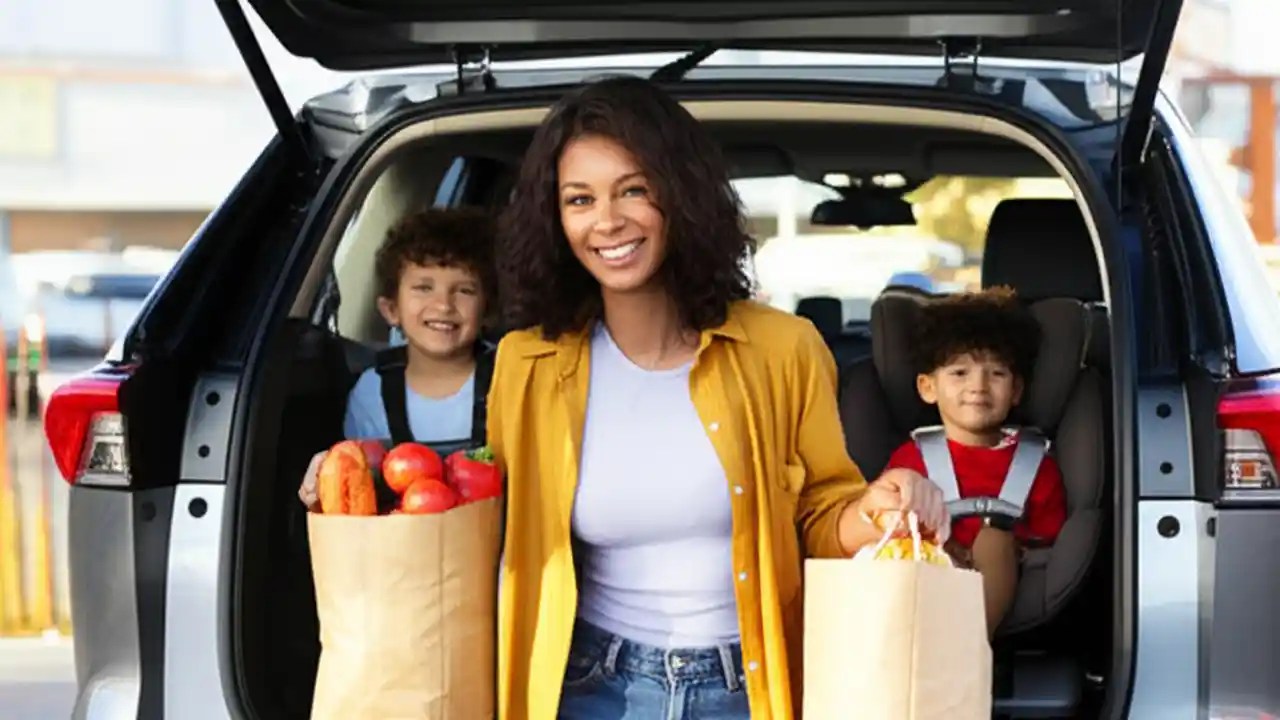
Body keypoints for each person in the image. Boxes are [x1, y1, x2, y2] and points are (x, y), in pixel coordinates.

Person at [486, 75, 950, 720]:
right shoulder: (526, 362)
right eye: (579, 199)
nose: (608, 220)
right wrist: (365, 484)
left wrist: (878, 505)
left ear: (680, 196)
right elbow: (486, 517)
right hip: (589, 685)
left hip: (747, 687)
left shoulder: (783, 348)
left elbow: (820, 513)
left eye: (634, 190)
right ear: (554, 218)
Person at [883, 287, 1067, 636]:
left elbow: (1048, 537)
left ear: (1016, 391)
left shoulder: (1035, 465)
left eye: (996, 373)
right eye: (959, 373)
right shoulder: (911, 460)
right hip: (931, 568)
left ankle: (969, 645)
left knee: (994, 541)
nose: (978, 386)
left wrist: (1011, 547)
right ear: (927, 387)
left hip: (1000, 571)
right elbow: (891, 523)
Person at [298, 207, 497, 509]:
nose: (443, 305)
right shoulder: (372, 392)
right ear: (391, 309)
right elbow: (358, 485)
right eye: (423, 288)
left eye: (464, 290)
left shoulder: (507, 378)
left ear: (487, 310)